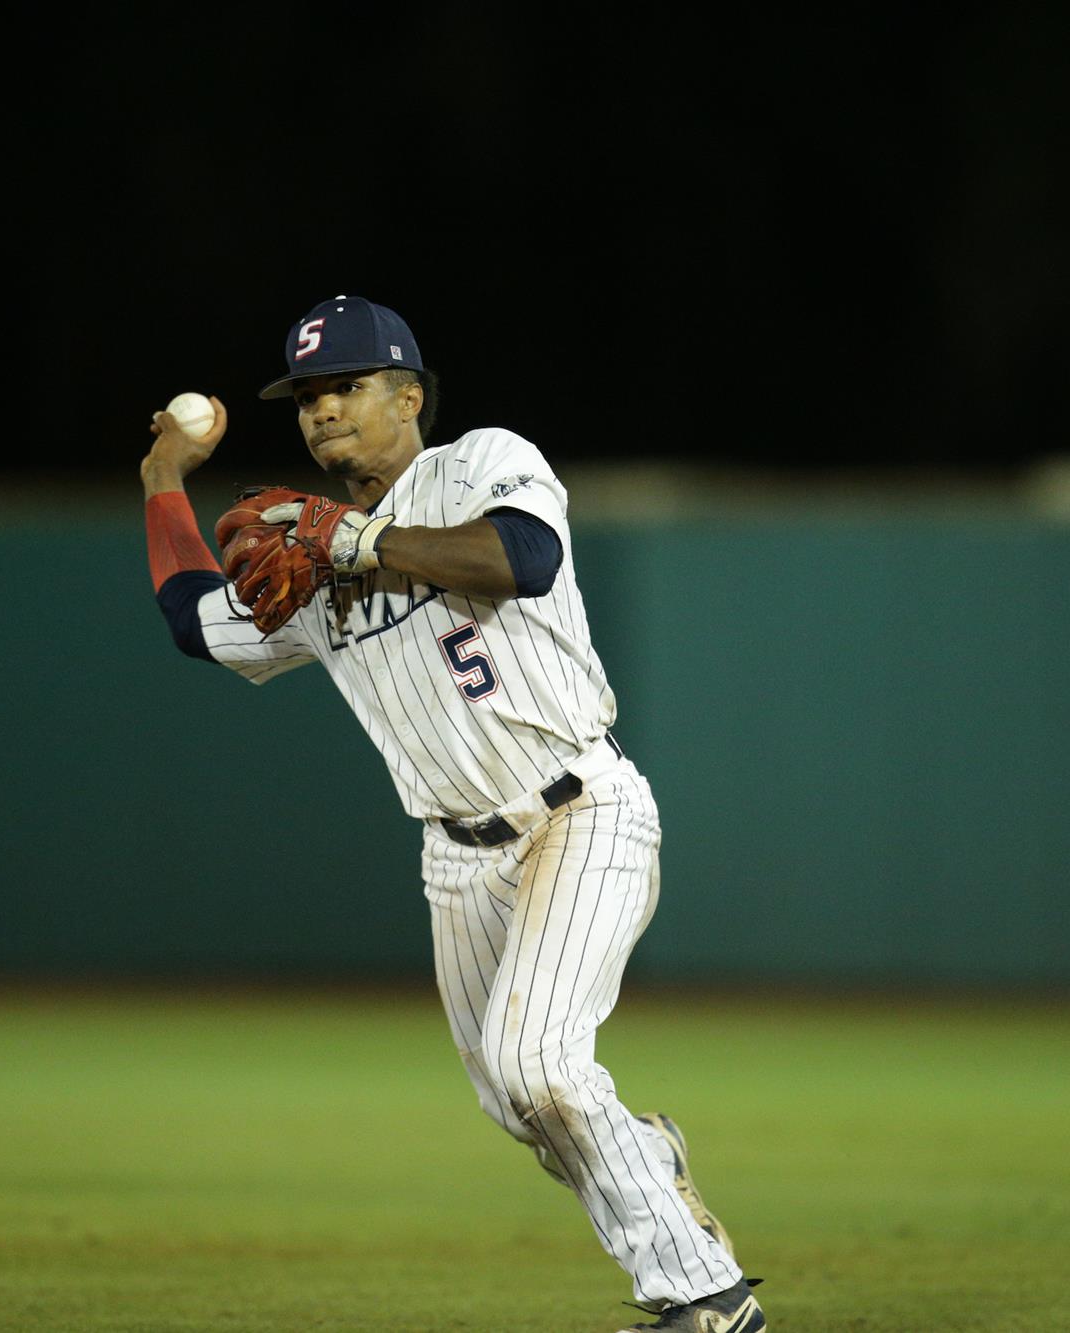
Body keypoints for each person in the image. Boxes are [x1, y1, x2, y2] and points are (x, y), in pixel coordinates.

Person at [138, 295, 766, 1333]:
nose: (321, 410)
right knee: (518, 1101)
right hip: (453, 858)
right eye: (305, 396)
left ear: (408, 395)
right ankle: (646, 1160)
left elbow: (523, 560)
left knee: (539, 1064)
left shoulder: (479, 463)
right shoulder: (307, 550)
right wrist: (163, 478)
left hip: (578, 809)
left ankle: (703, 1300)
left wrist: (356, 541)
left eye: (344, 386)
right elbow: (197, 627)